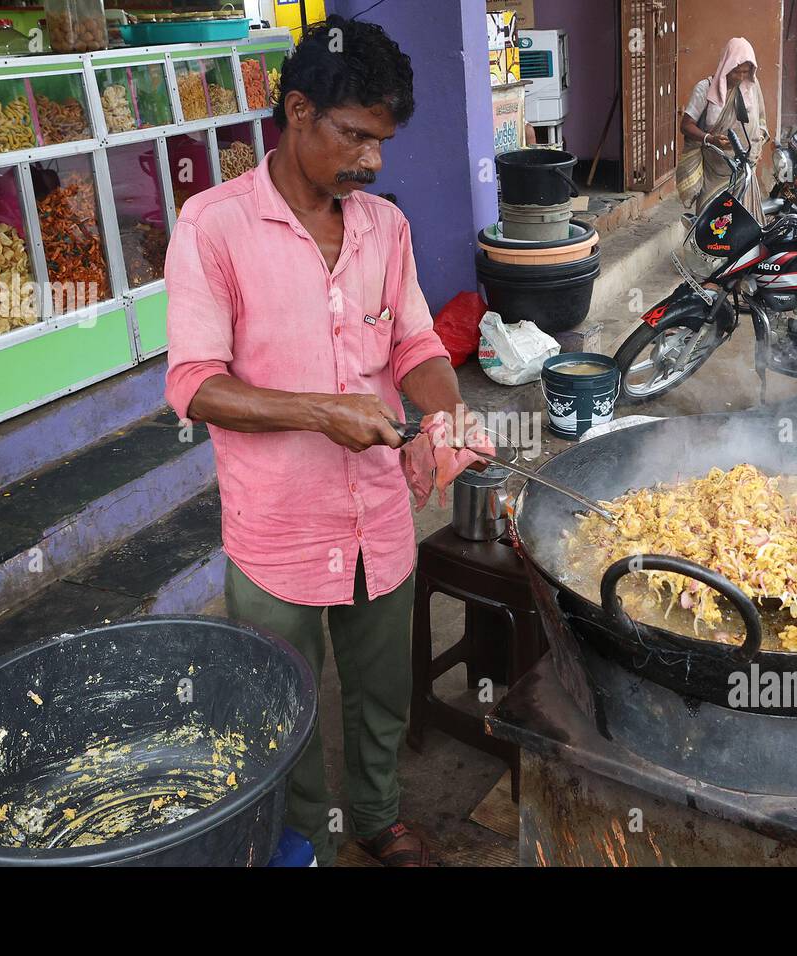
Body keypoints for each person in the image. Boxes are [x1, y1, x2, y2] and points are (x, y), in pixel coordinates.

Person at [164, 15, 490, 867]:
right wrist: (323, 411)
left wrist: (444, 414)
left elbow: (418, 345)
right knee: (289, 699)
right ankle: (307, 833)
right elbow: (194, 384)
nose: (373, 161)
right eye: (356, 136)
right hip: (278, 526)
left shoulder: (384, 227)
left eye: (382, 142)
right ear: (298, 110)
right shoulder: (212, 227)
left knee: (380, 688)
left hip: (378, 516)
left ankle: (377, 817)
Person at [676, 36, 770, 218]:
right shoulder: (705, 89)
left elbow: (760, 122)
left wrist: (756, 148)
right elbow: (686, 126)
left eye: (745, 72)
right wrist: (710, 139)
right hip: (714, 171)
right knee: (710, 224)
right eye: (736, 71)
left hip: (744, 170)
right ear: (726, 65)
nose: (741, 77)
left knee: (742, 225)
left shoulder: (752, 87)